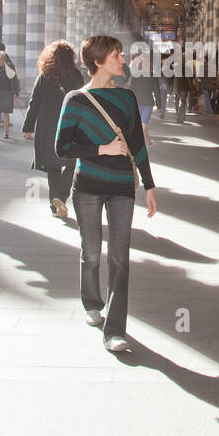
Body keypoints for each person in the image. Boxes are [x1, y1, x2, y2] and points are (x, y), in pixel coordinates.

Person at [55, 35, 158, 352]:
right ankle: (91, 303)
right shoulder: (76, 100)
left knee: (120, 258)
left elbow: (137, 146)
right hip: (87, 186)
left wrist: (150, 185)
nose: (123, 59)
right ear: (98, 61)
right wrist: (100, 148)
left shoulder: (126, 98)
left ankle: (114, 330)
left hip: (122, 187)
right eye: (116, 55)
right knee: (91, 252)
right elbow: (62, 148)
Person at [23, 41, 85, 219]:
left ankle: (54, 203)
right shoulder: (76, 75)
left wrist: (28, 127)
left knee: (53, 167)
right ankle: (61, 197)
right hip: (70, 124)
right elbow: (83, 100)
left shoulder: (44, 76)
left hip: (47, 125)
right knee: (72, 163)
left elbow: (34, 102)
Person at [125, 42, 158, 145]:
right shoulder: (136, 75)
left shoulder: (152, 76)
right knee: (142, 124)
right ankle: (146, 143)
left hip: (147, 103)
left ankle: (144, 145)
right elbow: (131, 89)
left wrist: (160, 104)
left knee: (143, 124)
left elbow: (156, 90)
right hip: (139, 102)